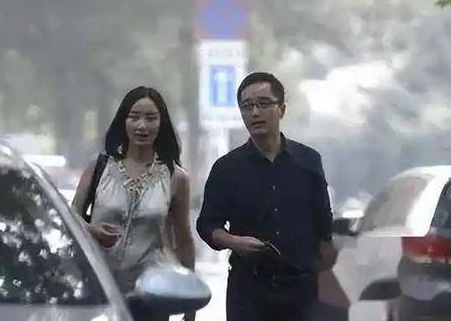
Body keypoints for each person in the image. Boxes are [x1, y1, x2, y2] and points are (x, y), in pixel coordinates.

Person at [196, 72, 338, 321]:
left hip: (303, 290)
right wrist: (235, 242)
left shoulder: (308, 161)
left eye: (263, 104)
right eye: (247, 106)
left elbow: (323, 226)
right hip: (250, 290)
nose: (255, 113)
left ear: (281, 109)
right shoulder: (227, 168)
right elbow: (207, 225)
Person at [72, 86, 196, 321]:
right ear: (123, 120)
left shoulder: (176, 177)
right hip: (99, 290)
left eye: (151, 118)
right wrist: (92, 230)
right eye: (134, 117)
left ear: (161, 123)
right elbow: (70, 219)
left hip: (152, 294)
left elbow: (184, 240)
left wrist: (190, 305)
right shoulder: (99, 167)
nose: (142, 126)